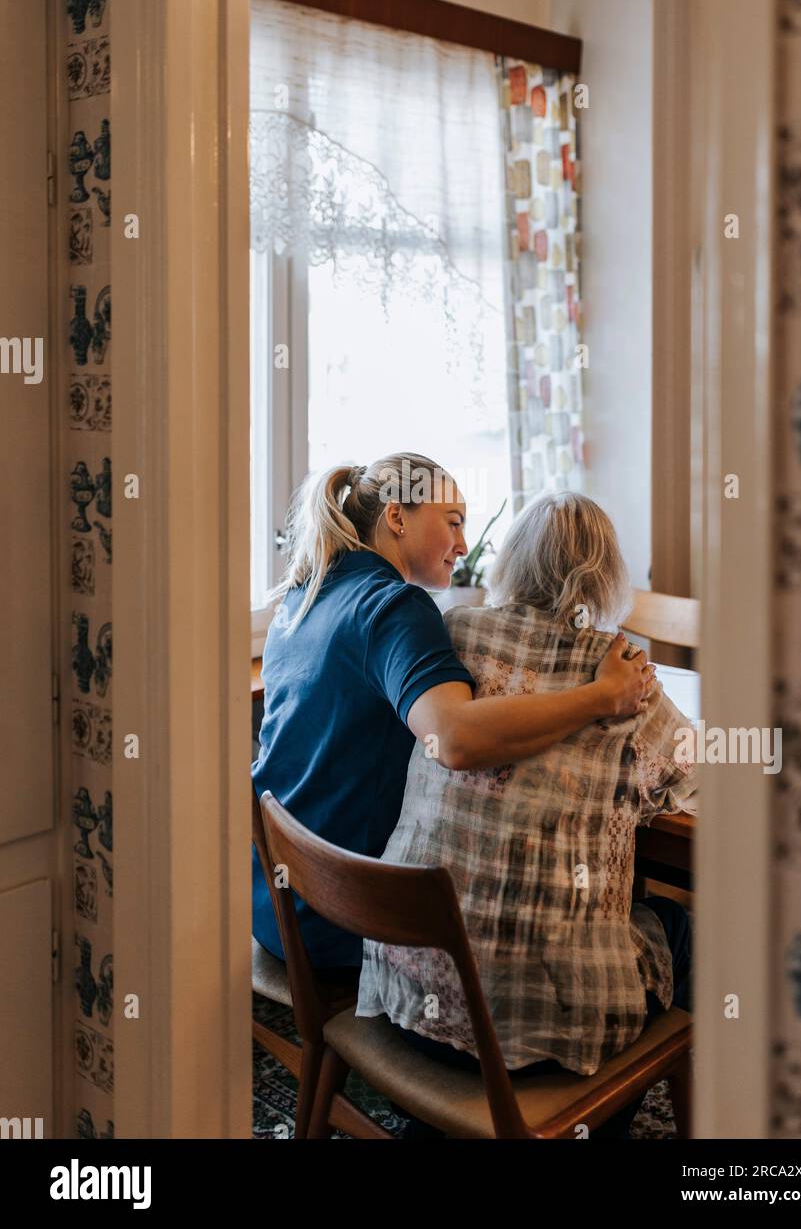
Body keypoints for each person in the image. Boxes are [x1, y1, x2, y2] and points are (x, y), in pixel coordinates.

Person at [356, 491, 698, 1139]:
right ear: (603, 576)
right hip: (530, 1031)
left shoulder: (454, 634)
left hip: (403, 996)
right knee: (679, 931)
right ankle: (604, 1115)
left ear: (512, 559)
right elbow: (693, 779)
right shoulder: (618, 669)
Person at [252, 455, 655, 985]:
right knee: (661, 923)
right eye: (454, 521)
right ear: (397, 518)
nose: (464, 547)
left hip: (278, 906)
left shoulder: (304, 595)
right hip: (350, 925)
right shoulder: (394, 606)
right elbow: (456, 740)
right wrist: (602, 695)